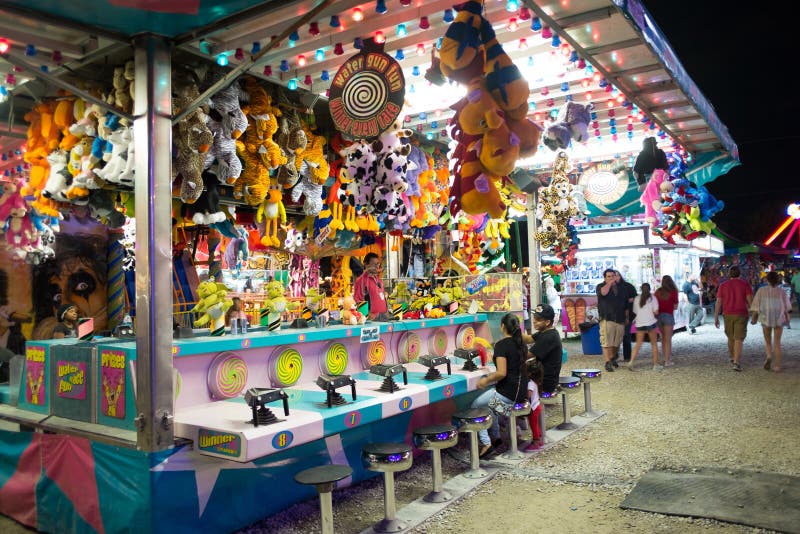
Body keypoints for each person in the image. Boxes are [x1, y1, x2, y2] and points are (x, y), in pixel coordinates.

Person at [471, 313, 528, 458]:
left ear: (503, 326)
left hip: (508, 395)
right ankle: (496, 438)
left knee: (476, 406)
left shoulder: (502, 345)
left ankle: (486, 443)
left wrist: (485, 380)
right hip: (521, 393)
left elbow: (501, 373)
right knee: (489, 404)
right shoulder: (521, 344)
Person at [750, 271, 792, 372]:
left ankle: (769, 356)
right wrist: (788, 318)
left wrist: (754, 318)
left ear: (766, 280)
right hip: (779, 318)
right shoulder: (781, 292)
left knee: (768, 341)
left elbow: (756, 306)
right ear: (778, 280)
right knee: (777, 342)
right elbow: (787, 307)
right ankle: (777, 366)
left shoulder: (761, 290)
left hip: (765, 318)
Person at [714, 265, 753, 372]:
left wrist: (716, 316)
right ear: (740, 274)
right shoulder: (745, 284)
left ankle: (732, 357)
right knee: (738, 338)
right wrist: (754, 313)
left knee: (730, 337)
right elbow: (750, 300)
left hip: (727, 314)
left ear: (729, 274)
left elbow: (718, 302)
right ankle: (736, 361)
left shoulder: (723, 285)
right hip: (741, 314)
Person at [596, 268, 628, 372]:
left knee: (616, 343)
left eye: (612, 276)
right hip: (607, 318)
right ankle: (607, 362)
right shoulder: (601, 286)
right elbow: (603, 293)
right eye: (608, 276)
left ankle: (613, 357)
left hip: (620, 318)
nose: (611, 278)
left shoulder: (622, 288)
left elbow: (626, 303)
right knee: (606, 341)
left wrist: (626, 317)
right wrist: (609, 284)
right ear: (605, 278)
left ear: (616, 276)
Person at [527, 303, 562, 394]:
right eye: (534, 318)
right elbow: (528, 339)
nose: (534, 321)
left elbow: (526, 355)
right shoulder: (546, 331)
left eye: (538, 320)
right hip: (542, 376)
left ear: (547, 322)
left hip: (545, 382)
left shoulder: (549, 337)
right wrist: (513, 332)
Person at [628, 283, 660, 371]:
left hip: (639, 323)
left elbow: (635, 311)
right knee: (654, 344)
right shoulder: (653, 298)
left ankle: (631, 361)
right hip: (651, 323)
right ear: (649, 289)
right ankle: (656, 365)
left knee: (638, 344)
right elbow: (656, 312)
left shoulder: (637, 298)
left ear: (641, 289)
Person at [352, 252, 388, 320]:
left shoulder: (379, 280)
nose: (377, 266)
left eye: (378, 264)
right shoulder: (361, 281)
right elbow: (357, 300)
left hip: (384, 318)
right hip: (372, 321)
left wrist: (387, 313)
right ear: (366, 264)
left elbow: (383, 298)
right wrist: (368, 316)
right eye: (374, 264)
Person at [654, 275, 679, 368]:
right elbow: (675, 306)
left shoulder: (658, 292)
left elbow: (654, 304)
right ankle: (667, 361)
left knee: (662, 339)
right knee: (668, 340)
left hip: (658, 317)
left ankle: (664, 358)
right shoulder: (674, 291)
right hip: (668, 316)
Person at [615, 270, 637, 362]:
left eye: (616, 275)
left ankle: (627, 356)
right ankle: (614, 356)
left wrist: (630, 300)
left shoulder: (628, 286)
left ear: (620, 276)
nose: (615, 277)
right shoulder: (610, 288)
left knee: (626, 335)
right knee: (615, 336)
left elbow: (635, 298)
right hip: (614, 315)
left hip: (628, 314)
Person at [523, 358, 544, 451]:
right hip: (537, 405)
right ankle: (539, 439)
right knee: (536, 424)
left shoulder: (530, 384)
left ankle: (536, 442)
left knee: (533, 424)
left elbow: (529, 395)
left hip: (533, 408)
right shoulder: (535, 382)